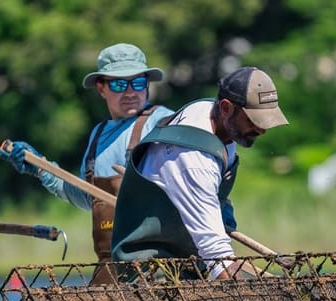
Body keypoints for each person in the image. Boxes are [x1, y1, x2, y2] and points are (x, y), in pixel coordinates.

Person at [0, 43, 176, 284]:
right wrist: (41, 168)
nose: (131, 91)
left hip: (160, 268)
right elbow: (88, 198)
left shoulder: (164, 122)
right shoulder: (98, 136)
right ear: (101, 88)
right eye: (119, 84)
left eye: (139, 83)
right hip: (111, 269)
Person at [110, 66, 288, 279]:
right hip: (148, 269)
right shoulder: (193, 159)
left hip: (189, 260)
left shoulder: (215, 119)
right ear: (225, 108)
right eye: (253, 121)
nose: (261, 130)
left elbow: (215, 196)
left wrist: (225, 219)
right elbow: (218, 257)